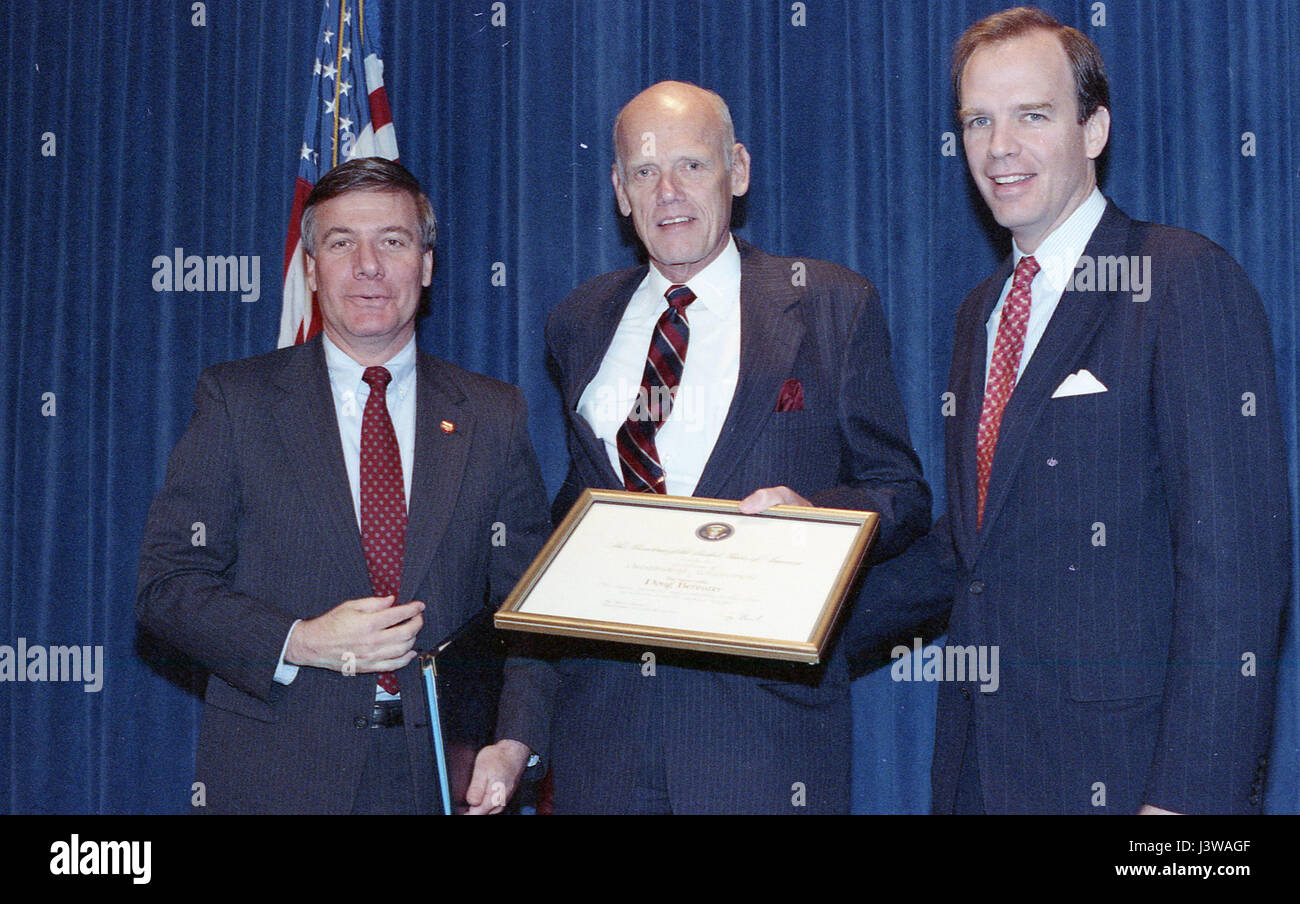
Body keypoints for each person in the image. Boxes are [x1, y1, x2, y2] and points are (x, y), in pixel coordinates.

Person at [856, 7, 1289, 814]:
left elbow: (1235, 573)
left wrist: (1188, 809)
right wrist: (788, 600)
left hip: (1130, 784)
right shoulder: (979, 312)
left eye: (1032, 115)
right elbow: (971, 552)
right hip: (978, 774)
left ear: (1094, 129)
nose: (998, 147)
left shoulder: (1180, 279)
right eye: (978, 120)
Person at [508, 80, 931, 813]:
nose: (667, 191)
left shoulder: (830, 303)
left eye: (691, 165)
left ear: (737, 170)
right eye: (644, 171)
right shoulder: (578, 321)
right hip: (601, 740)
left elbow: (903, 493)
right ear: (618, 189)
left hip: (762, 742)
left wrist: (815, 519)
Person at [136, 157, 551, 814]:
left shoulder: (493, 415)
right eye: (340, 242)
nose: (368, 265)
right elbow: (166, 589)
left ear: (427, 264)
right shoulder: (236, 401)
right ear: (309, 269)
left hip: (441, 778)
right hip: (276, 778)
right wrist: (298, 640)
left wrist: (513, 743)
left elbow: (531, 612)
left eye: (392, 240)